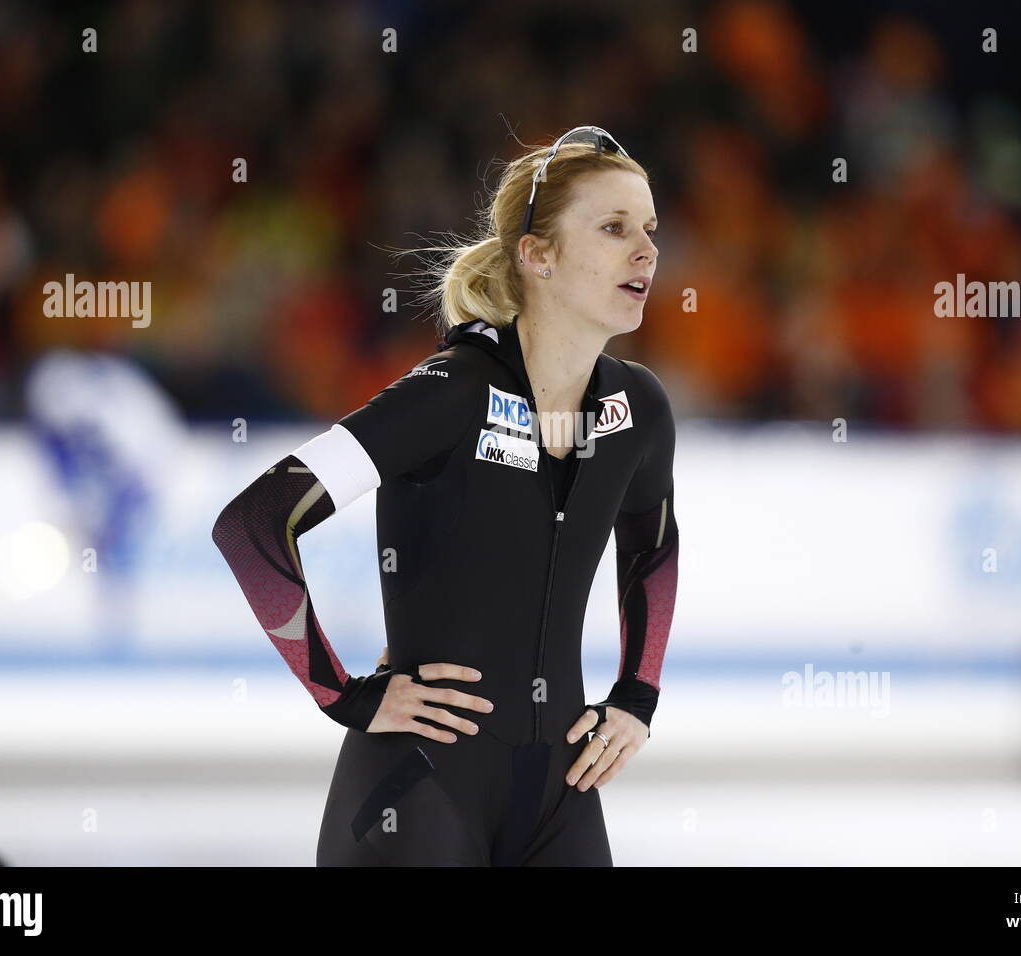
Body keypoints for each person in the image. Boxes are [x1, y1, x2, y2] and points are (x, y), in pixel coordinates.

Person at [212, 126, 679, 866]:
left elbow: (652, 547)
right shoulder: (454, 392)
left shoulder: (638, 409)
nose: (647, 250)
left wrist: (637, 697)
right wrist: (345, 694)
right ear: (538, 255)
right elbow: (254, 523)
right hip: (419, 790)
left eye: (650, 228)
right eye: (615, 228)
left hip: (561, 794)